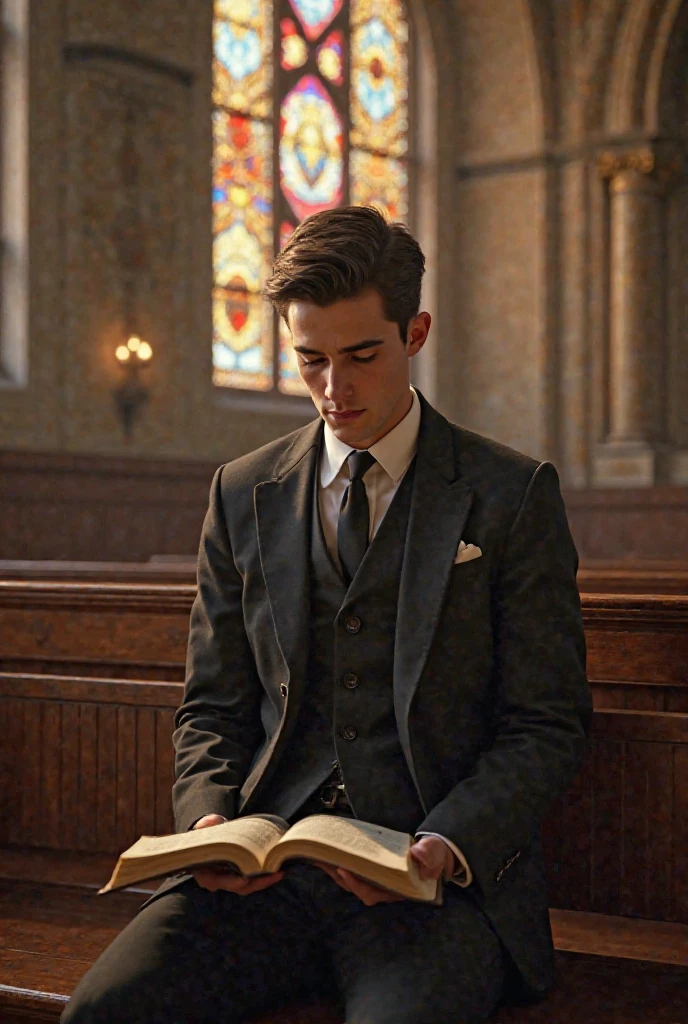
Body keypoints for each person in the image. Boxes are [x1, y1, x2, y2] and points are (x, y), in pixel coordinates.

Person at [62, 206, 591, 1024]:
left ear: (414, 333)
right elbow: (213, 703)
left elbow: (545, 724)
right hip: (261, 879)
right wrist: (208, 821)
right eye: (310, 360)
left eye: (361, 356)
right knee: (103, 1012)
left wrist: (444, 847)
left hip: (431, 893)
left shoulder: (510, 495)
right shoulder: (242, 490)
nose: (334, 391)